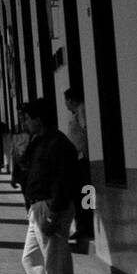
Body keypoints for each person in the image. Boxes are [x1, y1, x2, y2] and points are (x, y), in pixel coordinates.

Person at [18, 97, 78, 274]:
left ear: (38, 119)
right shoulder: (40, 141)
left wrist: (54, 208)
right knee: (30, 259)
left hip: (51, 207)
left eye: (27, 118)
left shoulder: (57, 143)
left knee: (56, 264)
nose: (24, 122)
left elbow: (64, 179)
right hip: (37, 207)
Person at [63, 88, 93, 245]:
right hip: (78, 159)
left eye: (66, 101)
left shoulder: (81, 110)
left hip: (82, 159)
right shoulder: (76, 113)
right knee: (81, 194)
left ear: (71, 100)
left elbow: (87, 132)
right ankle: (84, 225)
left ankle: (87, 226)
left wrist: (87, 156)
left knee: (85, 193)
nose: (65, 105)